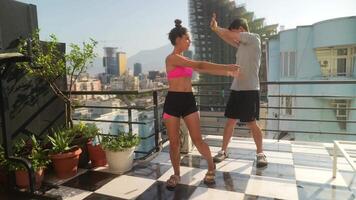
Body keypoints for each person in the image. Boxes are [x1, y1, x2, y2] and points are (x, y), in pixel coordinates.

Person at [164, 19, 239, 189]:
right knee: (174, 143)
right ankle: (176, 174)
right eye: (187, 38)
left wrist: (227, 73)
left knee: (198, 139)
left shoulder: (183, 58)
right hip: (172, 102)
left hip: (188, 100)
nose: (189, 41)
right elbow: (199, 64)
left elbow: (203, 69)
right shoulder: (172, 58)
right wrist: (226, 66)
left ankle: (211, 167)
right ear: (178, 39)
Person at [210, 13, 268, 168]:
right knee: (230, 121)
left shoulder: (254, 38)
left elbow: (229, 35)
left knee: (252, 123)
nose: (234, 37)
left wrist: (218, 28)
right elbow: (229, 38)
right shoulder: (242, 44)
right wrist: (216, 31)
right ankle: (223, 151)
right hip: (237, 88)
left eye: (235, 32)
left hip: (250, 89)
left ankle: (260, 153)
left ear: (241, 30)